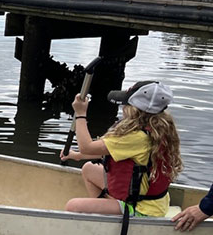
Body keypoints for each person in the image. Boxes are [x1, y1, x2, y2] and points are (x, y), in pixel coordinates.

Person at [60, 80, 183, 219]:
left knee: (73, 206)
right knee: (89, 169)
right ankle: (105, 215)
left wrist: (80, 114)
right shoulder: (157, 128)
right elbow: (110, 151)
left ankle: (107, 217)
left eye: (125, 104)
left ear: (134, 109)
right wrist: (77, 156)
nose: (123, 107)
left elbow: (86, 147)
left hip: (142, 208)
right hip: (152, 201)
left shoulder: (137, 137)